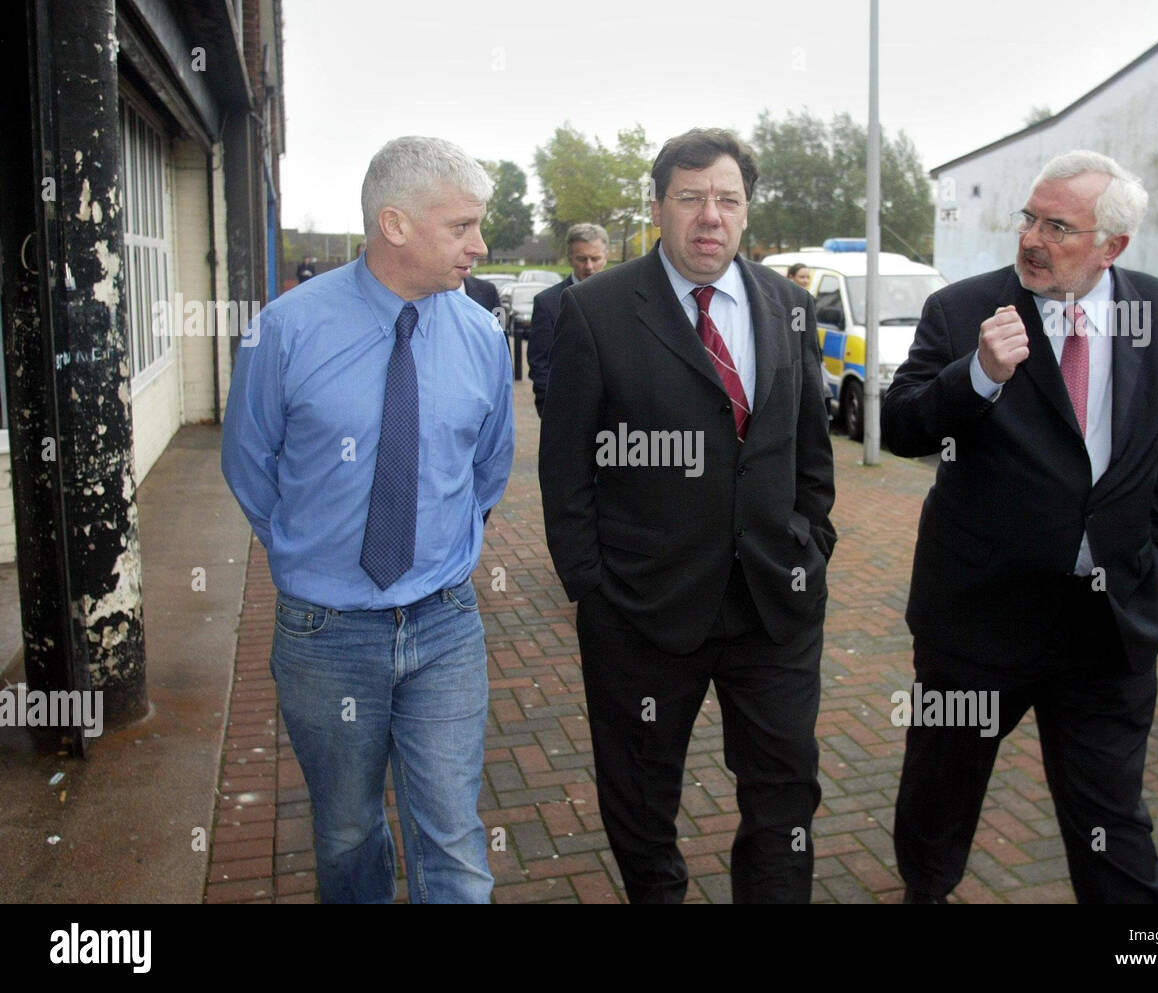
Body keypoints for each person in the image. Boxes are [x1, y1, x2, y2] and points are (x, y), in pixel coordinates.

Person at [882, 149, 1158, 904]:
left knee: (1113, 823)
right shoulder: (961, 310)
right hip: (980, 622)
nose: (1031, 239)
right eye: (1028, 217)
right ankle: (926, 890)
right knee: (939, 800)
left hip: (1106, 628)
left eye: (1058, 227)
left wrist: (1147, 557)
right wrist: (978, 375)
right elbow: (901, 427)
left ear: (1112, 245)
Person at [539, 128, 835, 903]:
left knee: (785, 790)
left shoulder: (790, 306)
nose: (711, 215)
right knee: (641, 795)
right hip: (642, 609)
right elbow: (565, 467)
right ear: (657, 207)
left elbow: (809, 451)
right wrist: (591, 585)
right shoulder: (595, 310)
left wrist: (812, 543)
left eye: (728, 199)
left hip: (773, 602)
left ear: (746, 211)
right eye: (691, 197)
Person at [221, 136, 514, 904]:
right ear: (395, 224)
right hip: (326, 635)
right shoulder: (285, 329)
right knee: (348, 831)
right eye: (462, 226)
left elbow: (488, 469)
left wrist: (439, 547)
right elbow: (249, 463)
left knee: (453, 837)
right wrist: (312, 554)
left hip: (445, 625)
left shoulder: (481, 336)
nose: (480, 245)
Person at [526, 223, 609, 415]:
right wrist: (551, 412)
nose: (589, 266)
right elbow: (540, 364)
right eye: (582, 259)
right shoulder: (547, 303)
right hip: (568, 414)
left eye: (595, 258)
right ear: (570, 258)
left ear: (606, 257)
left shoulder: (624, 298)